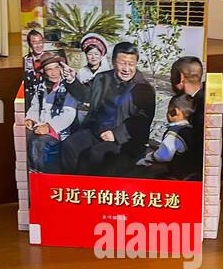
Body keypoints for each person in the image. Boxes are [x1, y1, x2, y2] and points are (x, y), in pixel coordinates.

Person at [61, 41, 156, 174]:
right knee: (69, 146)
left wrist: (116, 134)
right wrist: (72, 80)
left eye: (131, 64)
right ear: (113, 62)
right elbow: (86, 95)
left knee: (96, 155)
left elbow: (142, 120)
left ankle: (94, 190)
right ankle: (73, 186)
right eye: (122, 63)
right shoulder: (102, 78)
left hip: (123, 140)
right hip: (96, 131)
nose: (127, 69)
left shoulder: (143, 88)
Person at [25, 51, 80, 172]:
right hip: (39, 126)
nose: (54, 72)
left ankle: (42, 177)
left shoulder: (68, 86)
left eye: (56, 67)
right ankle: (30, 174)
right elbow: (35, 106)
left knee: (37, 144)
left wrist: (49, 127)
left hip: (60, 131)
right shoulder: (41, 86)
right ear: (44, 72)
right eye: (49, 69)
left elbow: (69, 113)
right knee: (24, 137)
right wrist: (31, 119)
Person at [136, 93, 200, 179]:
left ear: (174, 112)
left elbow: (163, 156)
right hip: (186, 168)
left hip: (175, 173)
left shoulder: (174, 134)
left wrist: (148, 157)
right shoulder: (189, 129)